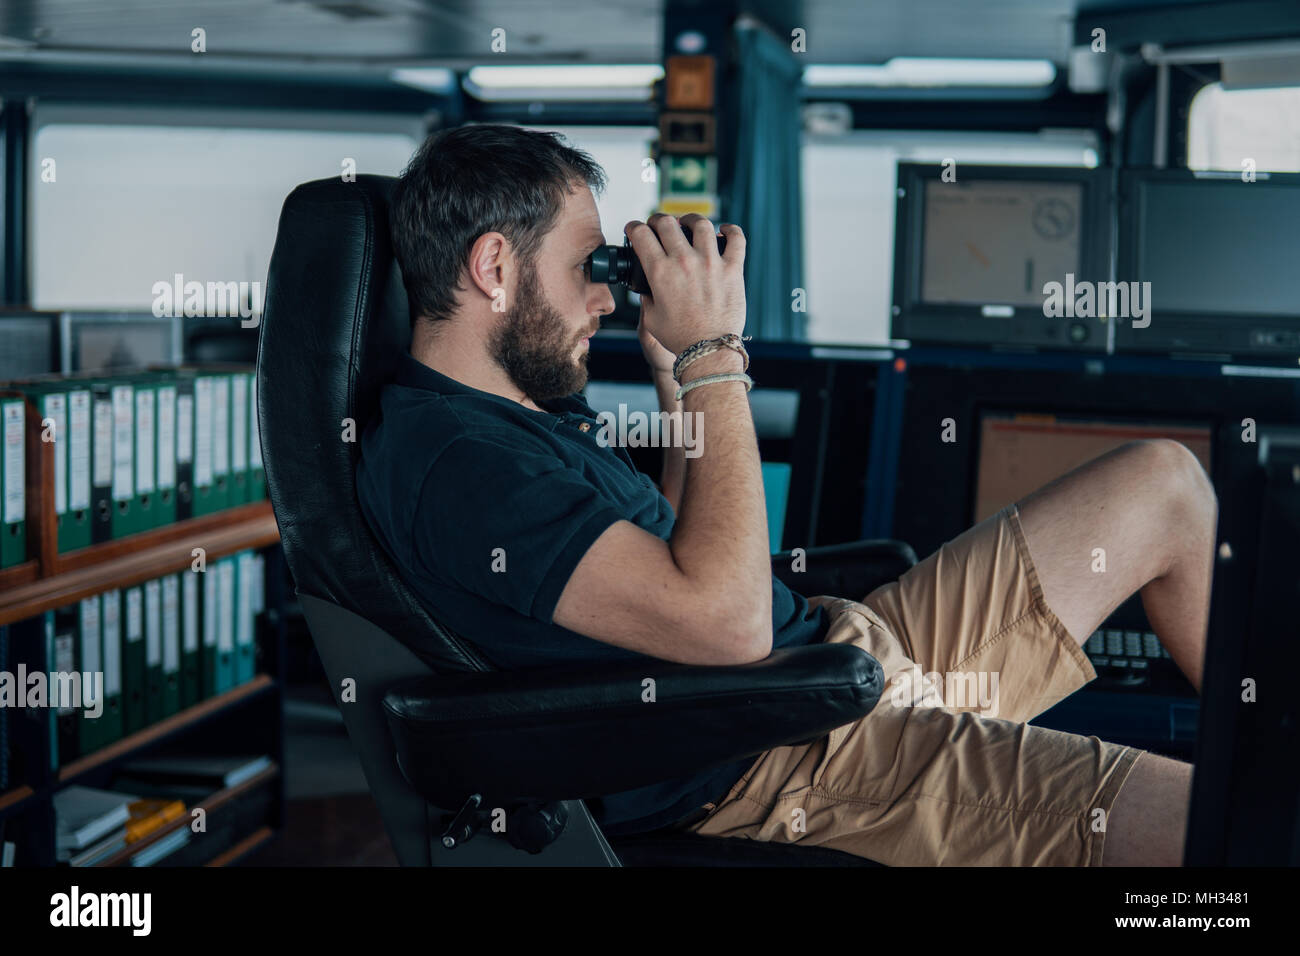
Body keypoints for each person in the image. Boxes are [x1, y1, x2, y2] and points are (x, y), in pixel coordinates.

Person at [356, 123, 1216, 865]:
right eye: (586, 267)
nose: (605, 296)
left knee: (1163, 484)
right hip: (790, 754)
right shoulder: (460, 468)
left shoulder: (505, 415)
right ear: (494, 266)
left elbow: (671, 559)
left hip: (838, 660)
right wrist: (713, 355)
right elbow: (728, 626)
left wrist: (673, 378)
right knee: (1226, 831)